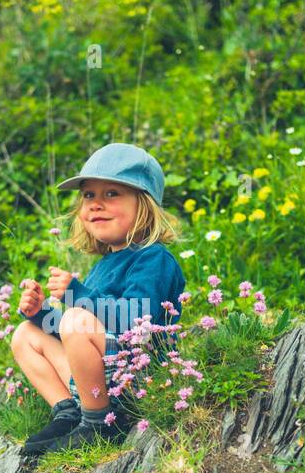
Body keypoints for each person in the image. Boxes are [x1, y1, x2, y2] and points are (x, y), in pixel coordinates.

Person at [10, 142, 186, 455]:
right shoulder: (103, 266)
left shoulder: (154, 259)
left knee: (77, 318)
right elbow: (78, 333)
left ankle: (100, 425)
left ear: (144, 204)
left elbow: (136, 321)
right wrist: (39, 314)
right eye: (89, 195)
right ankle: (69, 413)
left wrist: (77, 295)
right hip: (100, 381)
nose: (95, 204)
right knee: (26, 335)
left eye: (111, 194)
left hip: (137, 379)